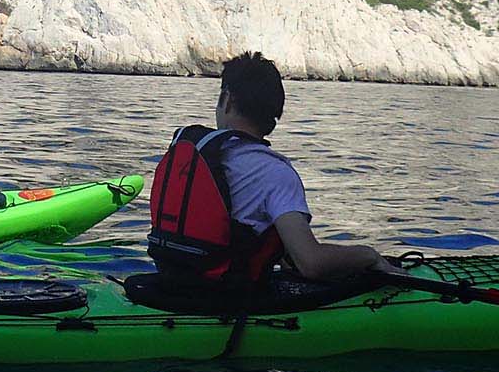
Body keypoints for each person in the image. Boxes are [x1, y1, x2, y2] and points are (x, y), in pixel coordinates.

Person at [147, 51, 393, 291]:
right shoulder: (275, 173)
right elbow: (311, 263)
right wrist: (370, 257)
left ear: (227, 100)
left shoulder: (191, 151)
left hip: (170, 283)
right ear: (274, 114)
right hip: (225, 298)